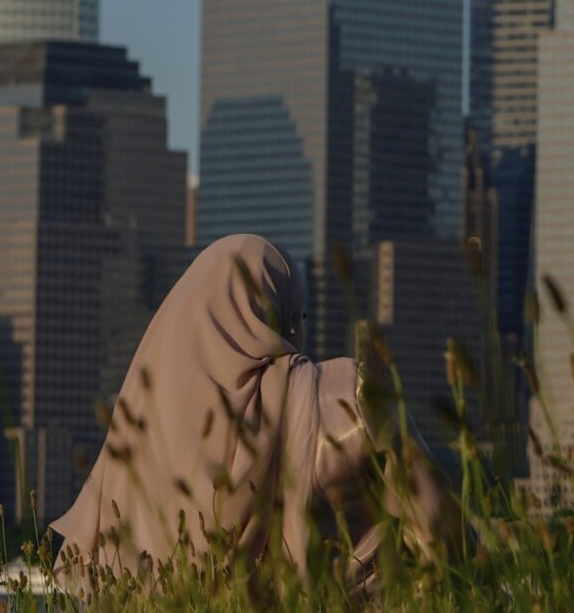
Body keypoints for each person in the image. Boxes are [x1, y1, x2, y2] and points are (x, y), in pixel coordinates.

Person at [51, 233, 449, 585]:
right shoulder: (343, 396)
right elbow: (446, 537)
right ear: (285, 318)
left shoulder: (136, 451)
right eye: (300, 314)